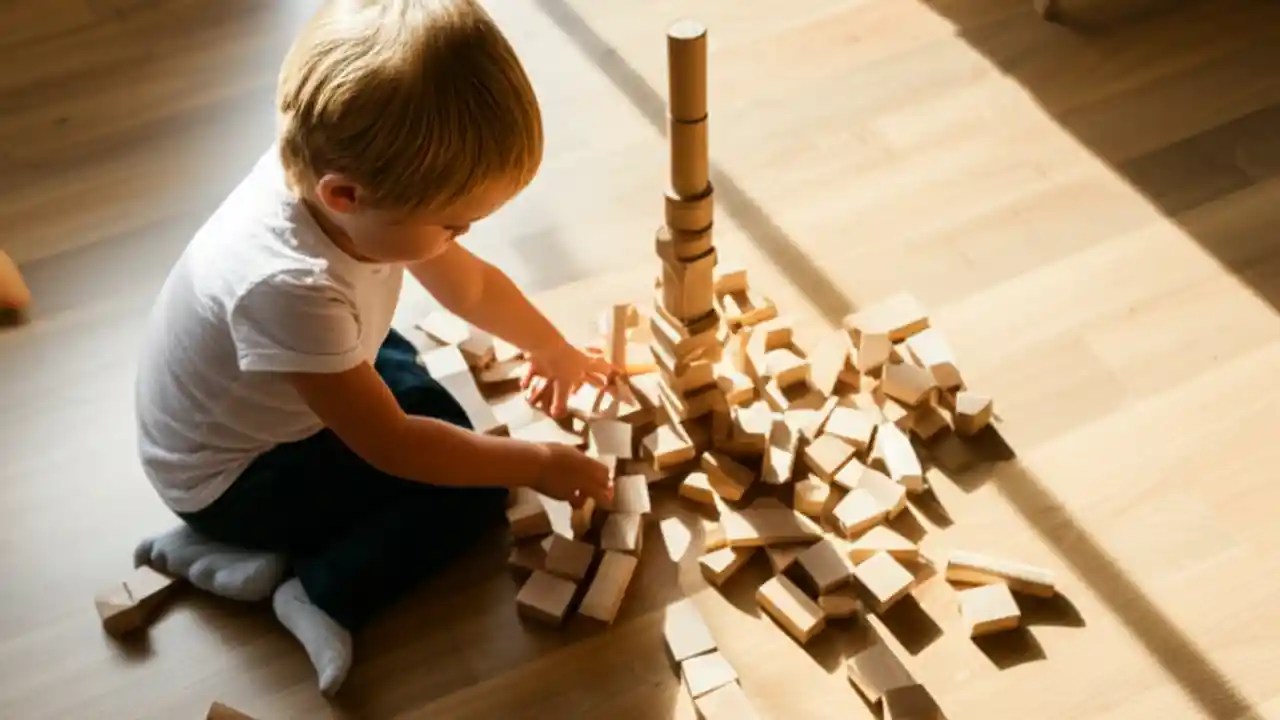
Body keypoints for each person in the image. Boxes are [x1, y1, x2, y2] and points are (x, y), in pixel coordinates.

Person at [132, 0, 614, 695]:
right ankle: (317, 591)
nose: (465, 237)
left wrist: (554, 348)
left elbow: (469, 288)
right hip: (233, 479)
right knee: (464, 497)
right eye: (456, 223)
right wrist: (534, 461)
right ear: (346, 195)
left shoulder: (341, 177)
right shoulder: (287, 283)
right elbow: (392, 444)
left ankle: (262, 555)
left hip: (274, 394)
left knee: (422, 393)